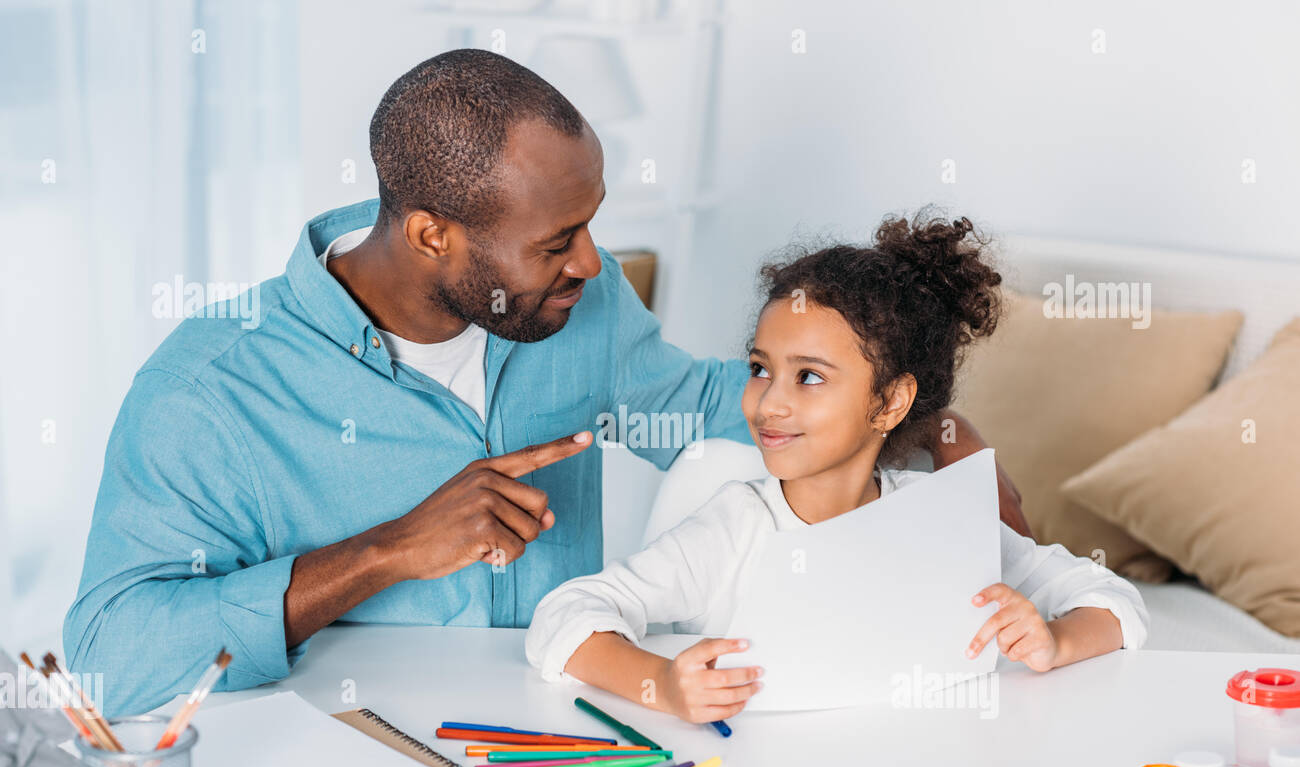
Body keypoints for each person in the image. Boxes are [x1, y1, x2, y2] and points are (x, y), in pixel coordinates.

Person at [65, 50, 1023, 716]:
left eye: (592, 224)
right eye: (557, 243)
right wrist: (388, 551)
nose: (594, 264)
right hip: (361, 765)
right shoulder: (213, 391)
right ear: (432, 233)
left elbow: (696, 411)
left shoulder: (580, 309)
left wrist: (922, 427)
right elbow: (110, 656)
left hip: (594, 739)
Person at [525, 213, 1149, 725]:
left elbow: (1113, 601)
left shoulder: (940, 520)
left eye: (810, 377)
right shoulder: (738, 527)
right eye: (760, 368)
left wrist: (1054, 639)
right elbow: (566, 614)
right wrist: (661, 680)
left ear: (891, 402)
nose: (769, 402)